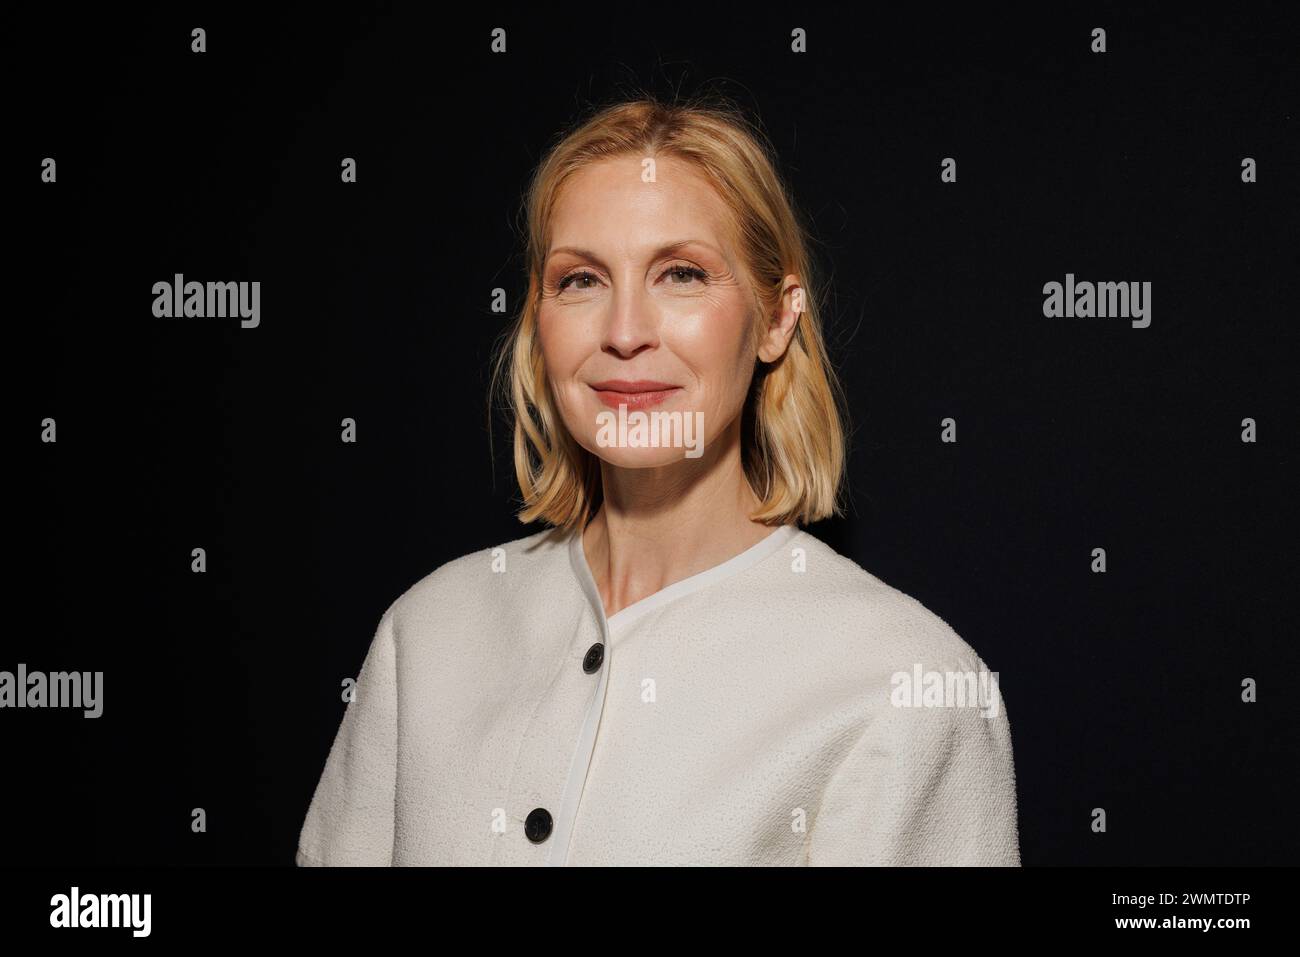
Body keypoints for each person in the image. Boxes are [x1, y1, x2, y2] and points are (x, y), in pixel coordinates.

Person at [296, 95, 1021, 866]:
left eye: (681, 273)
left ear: (777, 319)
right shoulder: (426, 633)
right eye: (581, 279)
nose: (624, 332)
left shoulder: (905, 682)